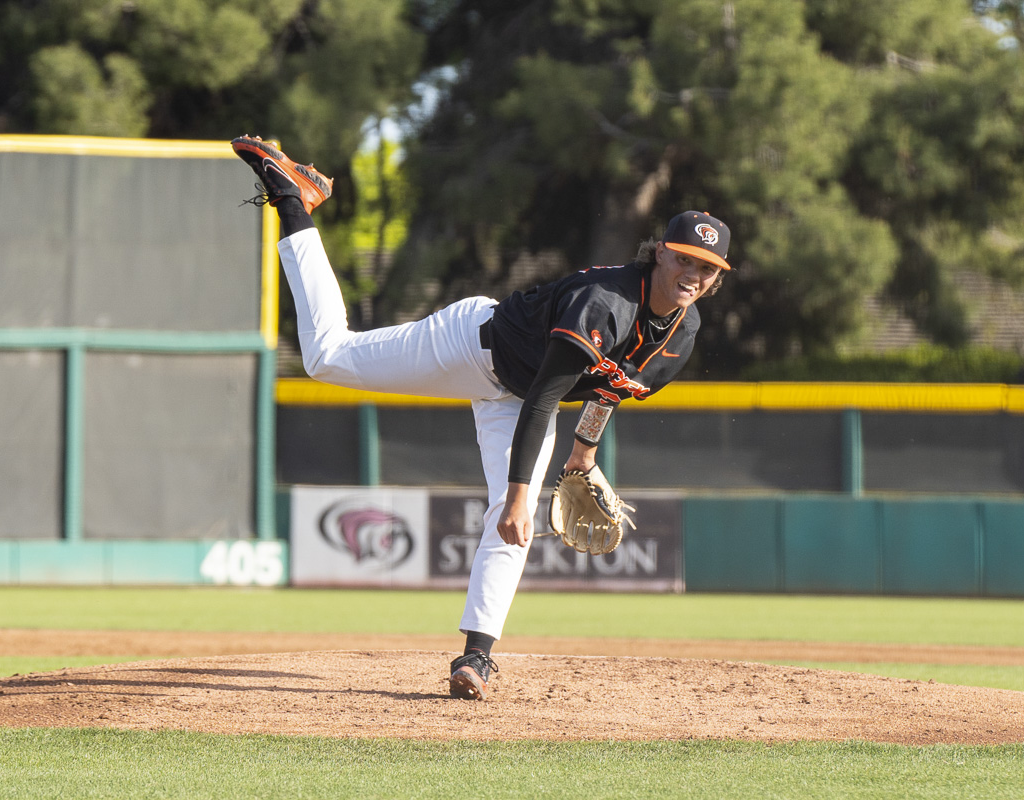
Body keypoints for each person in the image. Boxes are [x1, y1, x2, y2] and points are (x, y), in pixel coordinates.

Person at [231, 135, 732, 700]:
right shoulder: (606, 301)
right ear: (660, 252)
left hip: (516, 396)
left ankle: (475, 658)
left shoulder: (682, 333)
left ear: (718, 277)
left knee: (511, 524)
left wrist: (583, 454)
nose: (694, 274)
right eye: (685, 258)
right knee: (326, 358)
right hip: (472, 348)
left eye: (708, 268)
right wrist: (524, 494)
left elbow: (609, 389)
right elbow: (547, 396)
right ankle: (295, 198)